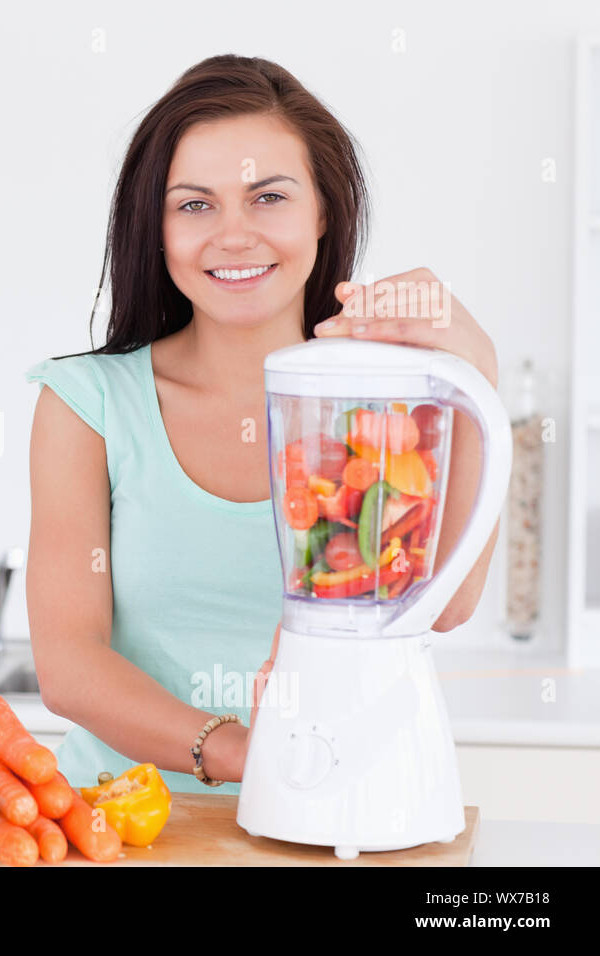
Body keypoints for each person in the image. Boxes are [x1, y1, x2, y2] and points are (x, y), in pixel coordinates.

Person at [25, 54, 499, 796]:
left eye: (268, 197)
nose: (234, 236)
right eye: (195, 205)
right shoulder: (88, 403)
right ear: (156, 228)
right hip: (122, 827)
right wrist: (247, 755)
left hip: (333, 812)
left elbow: (446, 603)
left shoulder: (377, 399)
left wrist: (477, 370)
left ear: (323, 212)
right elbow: (69, 665)